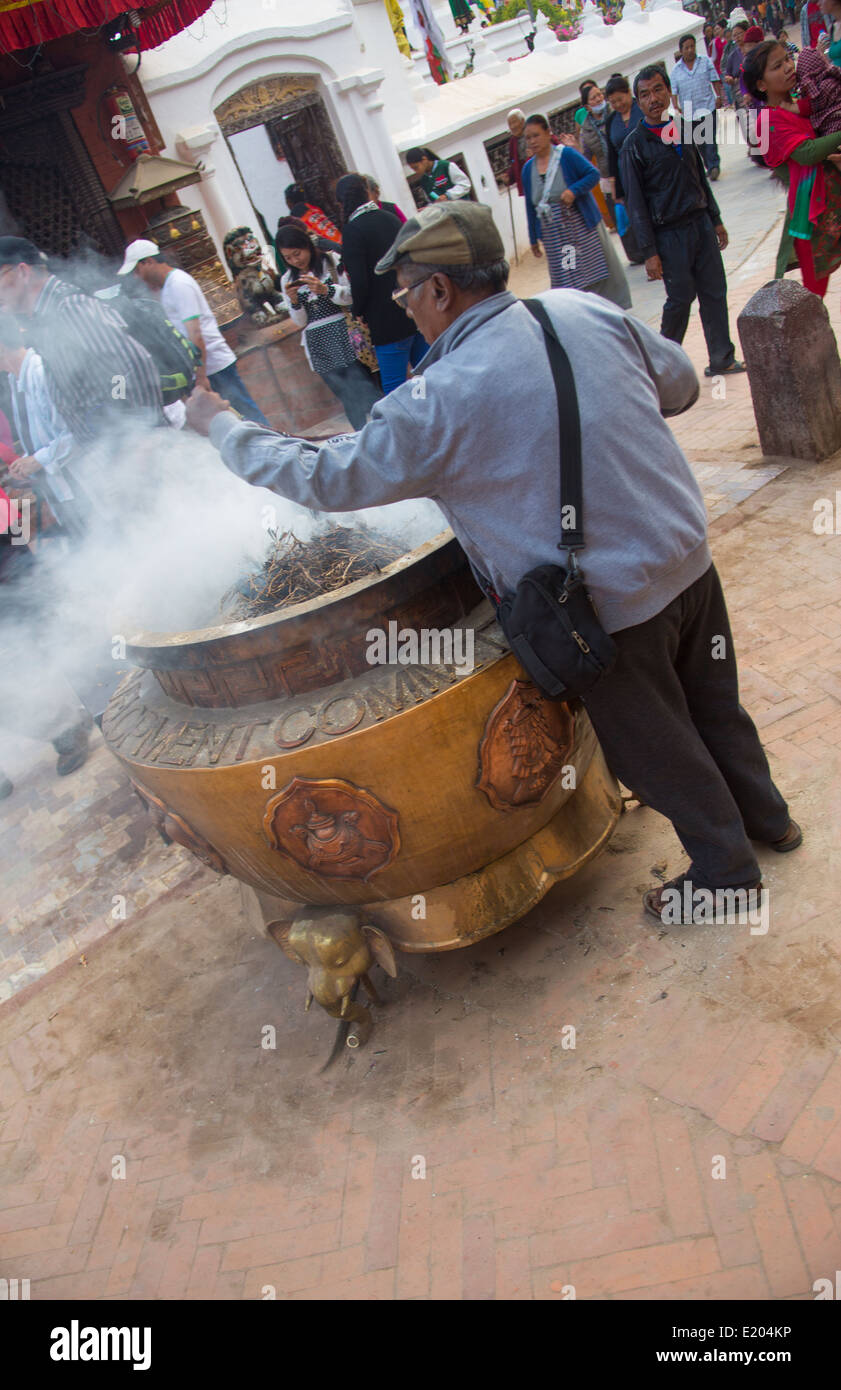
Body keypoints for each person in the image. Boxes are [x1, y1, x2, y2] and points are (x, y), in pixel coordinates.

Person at [185, 199, 801, 921]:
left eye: (406, 292)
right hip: (687, 560)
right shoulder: (576, 309)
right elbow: (682, 386)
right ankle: (769, 822)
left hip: (607, 607)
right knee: (713, 708)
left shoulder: (436, 397)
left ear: (440, 290)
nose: (406, 309)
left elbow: (328, 479)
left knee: (654, 748)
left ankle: (725, 877)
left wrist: (224, 428)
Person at [620, 66, 746, 376]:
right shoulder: (633, 147)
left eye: (658, 90)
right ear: (638, 102)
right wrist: (649, 250)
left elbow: (699, 178)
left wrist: (715, 219)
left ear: (667, 91)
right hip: (669, 234)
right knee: (680, 299)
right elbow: (636, 203)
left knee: (715, 290)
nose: (653, 99)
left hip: (700, 223)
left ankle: (721, 358)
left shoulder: (684, 129)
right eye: (645, 94)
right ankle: (662, 368)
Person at [0, 237, 163, 458]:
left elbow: (126, 366)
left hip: (138, 452)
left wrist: (132, 430)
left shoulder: (69, 307)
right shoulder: (46, 318)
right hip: (114, 457)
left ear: (22, 272)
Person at [118, 240, 271, 427]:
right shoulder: (167, 286)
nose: (136, 277)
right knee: (230, 421)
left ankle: (277, 446)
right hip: (206, 368)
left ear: (147, 262)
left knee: (247, 416)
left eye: (136, 271)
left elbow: (195, 333)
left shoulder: (179, 284)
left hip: (214, 366)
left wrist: (201, 376)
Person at [748, 39, 841, 294]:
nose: (789, 67)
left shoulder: (804, 100)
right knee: (813, 298)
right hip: (812, 215)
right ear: (761, 84)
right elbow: (807, 154)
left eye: (788, 59)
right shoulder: (766, 121)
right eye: (777, 66)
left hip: (833, 199)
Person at [275, 223, 382, 430]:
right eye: (288, 258)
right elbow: (299, 321)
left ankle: (386, 430)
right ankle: (362, 440)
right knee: (347, 398)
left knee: (366, 390)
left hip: (346, 336)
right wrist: (295, 302)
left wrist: (327, 290)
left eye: (297, 254)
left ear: (306, 245)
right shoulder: (287, 279)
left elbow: (352, 295)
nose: (295, 261)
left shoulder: (331, 261)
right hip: (318, 345)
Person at [523, 114, 631, 308]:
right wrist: (533, 238)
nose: (532, 141)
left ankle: (604, 310)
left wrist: (573, 190)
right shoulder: (528, 169)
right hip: (556, 236)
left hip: (578, 228)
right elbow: (531, 207)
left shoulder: (566, 156)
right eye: (528, 137)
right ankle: (580, 311)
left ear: (548, 133)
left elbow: (592, 174)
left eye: (536, 135)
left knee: (592, 273)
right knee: (569, 278)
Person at [335, 172, 427, 394]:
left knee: (395, 388)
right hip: (412, 307)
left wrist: (359, 311)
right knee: (429, 374)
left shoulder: (353, 230)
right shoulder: (390, 218)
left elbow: (359, 281)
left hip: (384, 319)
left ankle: (414, 426)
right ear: (367, 193)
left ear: (342, 202)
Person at [671, 32, 725, 177]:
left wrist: (719, 96)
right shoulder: (675, 71)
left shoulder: (705, 61)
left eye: (692, 46)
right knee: (700, 142)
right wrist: (676, 107)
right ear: (681, 50)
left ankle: (714, 166)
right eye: (686, 47)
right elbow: (674, 92)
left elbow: (714, 80)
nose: (690, 50)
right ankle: (709, 165)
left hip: (707, 107)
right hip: (689, 113)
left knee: (710, 138)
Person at [577, 81, 618, 228]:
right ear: (587, 106)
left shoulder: (616, 112)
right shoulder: (586, 130)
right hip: (607, 177)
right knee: (621, 222)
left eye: (599, 94)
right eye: (593, 98)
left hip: (627, 169)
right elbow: (585, 158)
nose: (599, 99)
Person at [405, 148, 471, 202]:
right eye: (413, 169)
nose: (415, 171)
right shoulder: (424, 180)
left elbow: (465, 184)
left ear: (424, 160)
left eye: (416, 167)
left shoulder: (446, 166)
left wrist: (447, 195)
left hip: (463, 209)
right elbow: (430, 200)